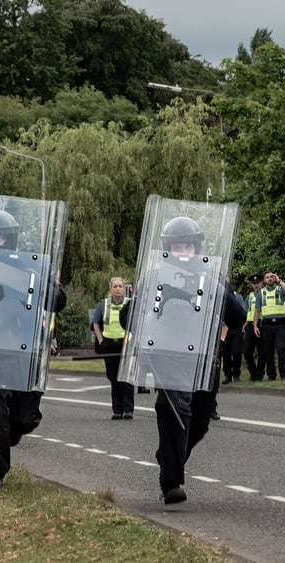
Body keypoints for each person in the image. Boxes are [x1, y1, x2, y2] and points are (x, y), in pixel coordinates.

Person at [121, 215, 245, 504]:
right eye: (177, 246)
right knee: (173, 409)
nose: (183, 251)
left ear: (197, 248)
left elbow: (237, 317)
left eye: (188, 246)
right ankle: (171, 481)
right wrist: (141, 315)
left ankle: (169, 456)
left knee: (199, 421)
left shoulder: (212, 276)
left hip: (203, 359)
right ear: (167, 248)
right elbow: (128, 316)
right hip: (167, 355)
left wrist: (219, 290)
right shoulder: (154, 277)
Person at [0, 209, 68, 491]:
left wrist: (43, 282)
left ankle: (10, 432)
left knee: (24, 419)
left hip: (24, 351)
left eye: (3, 235)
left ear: (13, 237)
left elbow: (58, 300)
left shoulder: (32, 266)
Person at [91, 277, 134, 419]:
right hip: (109, 345)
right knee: (114, 379)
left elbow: (136, 323)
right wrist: (101, 340)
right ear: (110, 289)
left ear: (124, 288)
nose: (117, 289)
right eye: (115, 286)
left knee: (126, 379)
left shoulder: (130, 304)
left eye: (120, 286)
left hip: (125, 345)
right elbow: (96, 323)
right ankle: (117, 410)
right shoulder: (103, 305)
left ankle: (128, 409)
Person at [255, 269, 285, 380]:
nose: (270, 279)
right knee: (268, 351)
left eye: (271, 276)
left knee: (281, 349)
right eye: (267, 277)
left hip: (280, 325)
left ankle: (283, 375)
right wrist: (255, 326)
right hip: (266, 326)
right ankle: (271, 376)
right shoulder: (261, 293)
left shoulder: (280, 289)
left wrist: (279, 280)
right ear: (264, 280)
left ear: (274, 278)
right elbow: (257, 311)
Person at [242, 274, 263, 381]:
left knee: (261, 352)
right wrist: (245, 323)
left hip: (261, 324)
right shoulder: (249, 297)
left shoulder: (264, 294)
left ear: (261, 283)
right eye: (254, 283)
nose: (256, 285)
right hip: (250, 325)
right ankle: (253, 372)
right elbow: (247, 311)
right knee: (246, 351)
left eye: (258, 283)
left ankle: (259, 376)